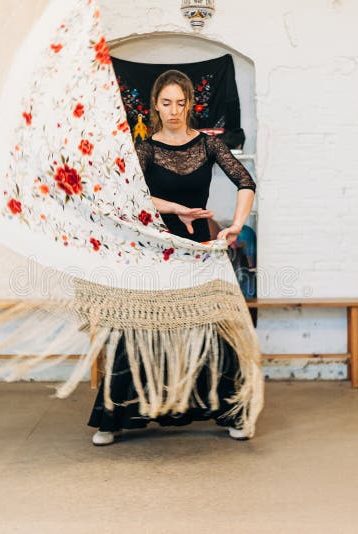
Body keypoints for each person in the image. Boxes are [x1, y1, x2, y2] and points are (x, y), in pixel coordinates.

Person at [87, 69, 257, 445]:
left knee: (216, 330)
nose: (174, 110)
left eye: (181, 102)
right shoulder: (144, 148)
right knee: (136, 329)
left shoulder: (209, 145)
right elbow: (126, 199)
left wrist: (235, 226)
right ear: (156, 106)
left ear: (190, 105)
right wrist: (175, 207)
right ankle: (114, 418)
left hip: (197, 252)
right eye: (167, 103)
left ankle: (233, 413)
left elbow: (246, 182)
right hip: (154, 250)